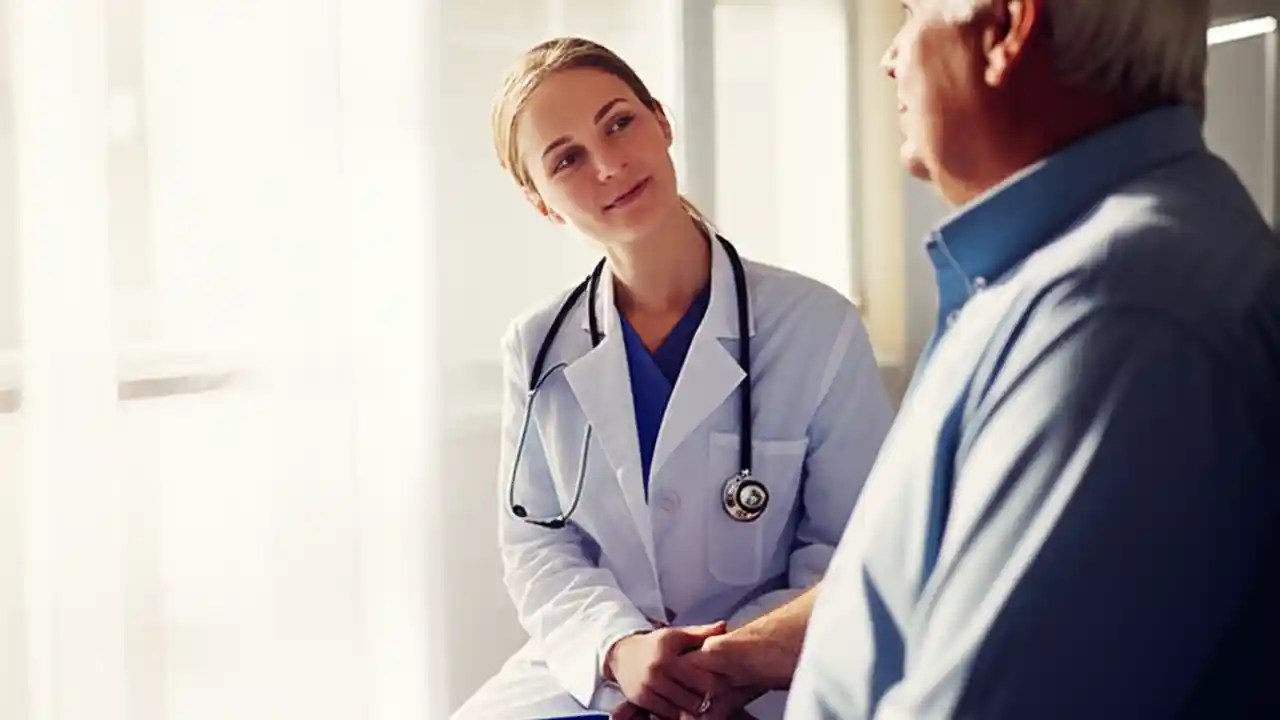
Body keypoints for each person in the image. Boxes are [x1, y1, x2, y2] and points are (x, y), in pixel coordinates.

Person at [780, 0, 1280, 717]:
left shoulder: (1120, 312)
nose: (890, 56)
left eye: (914, 11)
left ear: (1008, 28)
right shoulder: (1075, 278)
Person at [450, 37, 893, 720]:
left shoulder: (817, 326)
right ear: (540, 200)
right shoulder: (536, 347)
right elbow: (539, 547)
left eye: (619, 122)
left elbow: (854, 546)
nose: (609, 164)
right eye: (567, 158)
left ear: (662, 122)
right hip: (599, 674)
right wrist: (621, 649)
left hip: (771, 678)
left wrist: (725, 666)